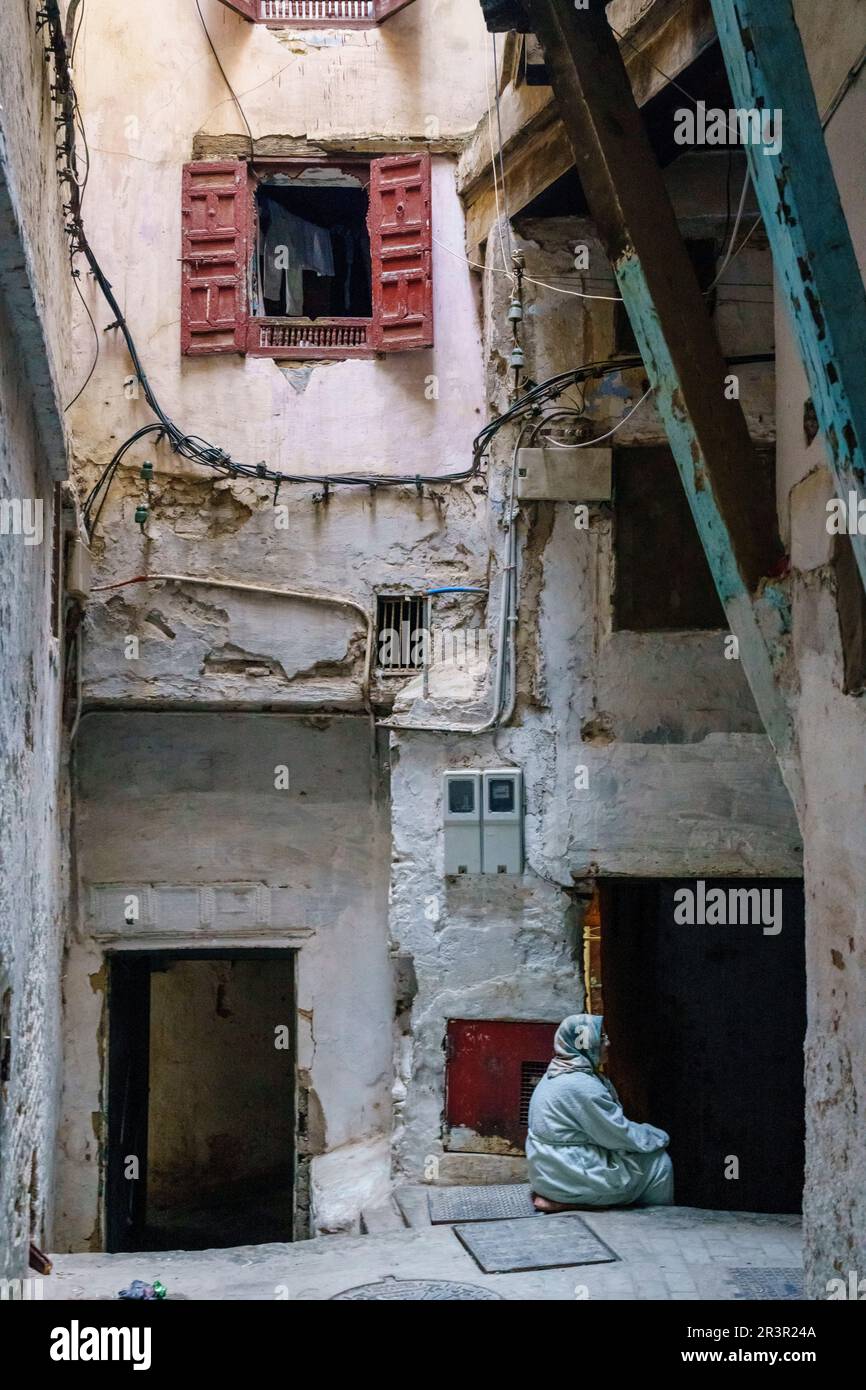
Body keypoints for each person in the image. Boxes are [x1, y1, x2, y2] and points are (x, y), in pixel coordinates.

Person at [526, 1013, 674, 1212]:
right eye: (601, 1038)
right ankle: (657, 1220)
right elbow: (617, 1135)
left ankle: (569, 1199)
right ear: (585, 1042)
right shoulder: (581, 1085)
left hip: (548, 1172)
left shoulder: (555, 1074)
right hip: (566, 1175)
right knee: (658, 1164)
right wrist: (657, 1136)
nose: (608, 1043)